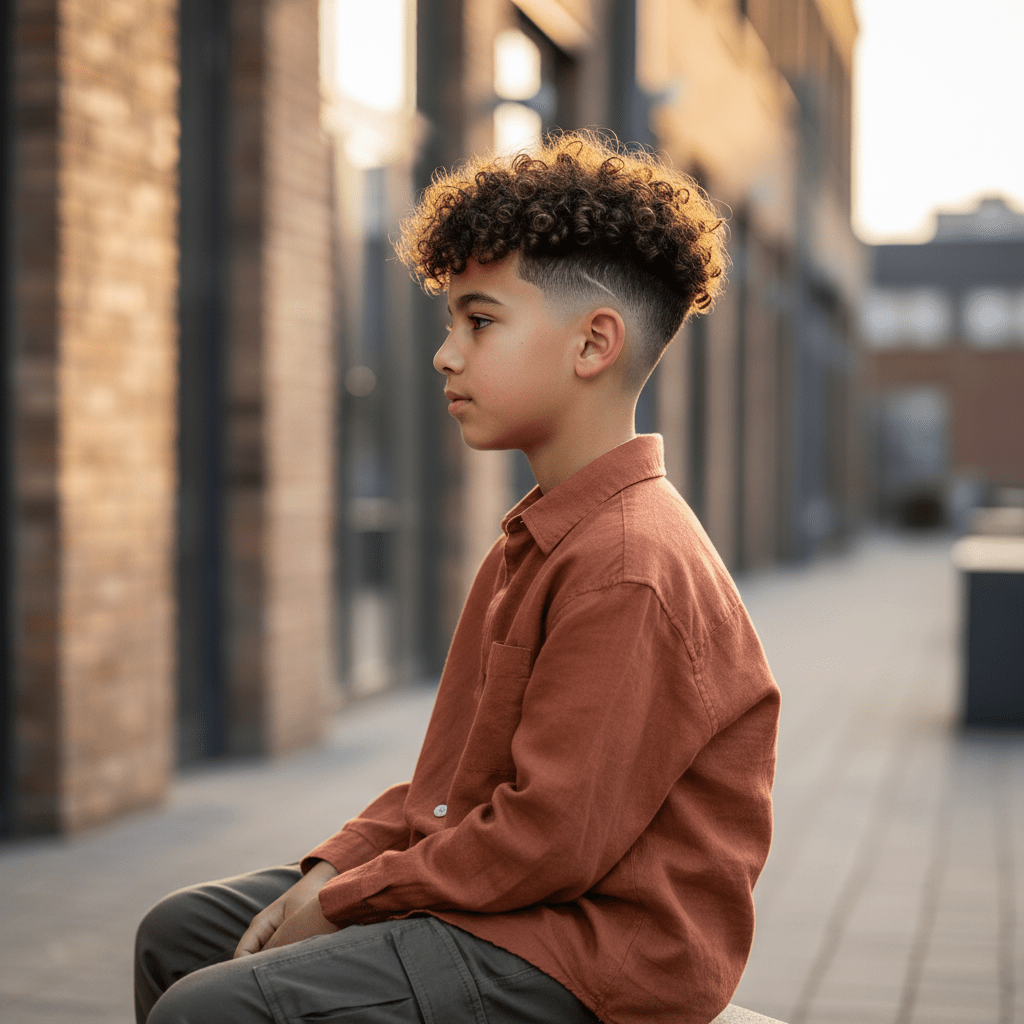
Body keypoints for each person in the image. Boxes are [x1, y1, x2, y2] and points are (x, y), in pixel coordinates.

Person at [135, 131, 780, 1024]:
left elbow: (545, 842)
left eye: (478, 322)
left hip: (594, 953)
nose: (445, 354)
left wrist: (344, 903)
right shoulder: (538, 539)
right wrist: (337, 863)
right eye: (451, 325)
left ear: (593, 344)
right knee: (179, 934)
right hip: (517, 904)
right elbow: (452, 792)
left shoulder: (629, 567)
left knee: (210, 1009)